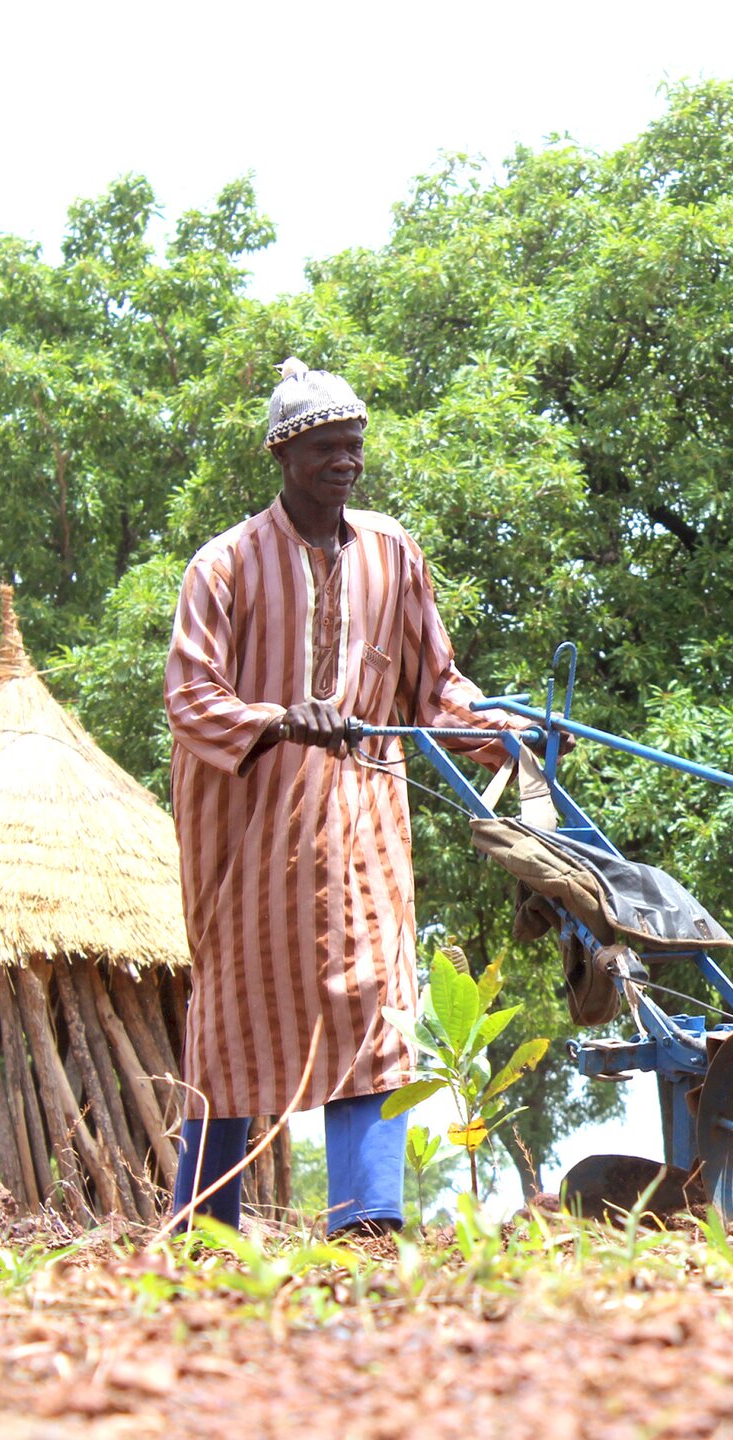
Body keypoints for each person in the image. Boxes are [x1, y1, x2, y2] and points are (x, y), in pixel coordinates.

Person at [161, 357, 529, 1236]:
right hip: (248, 833)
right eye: (326, 448)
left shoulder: (392, 552)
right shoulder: (223, 567)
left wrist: (493, 728)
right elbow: (189, 698)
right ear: (283, 457)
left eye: (353, 447)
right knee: (234, 1020)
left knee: (375, 1005)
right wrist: (281, 719)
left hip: (363, 820)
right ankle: (207, 1226)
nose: (344, 463)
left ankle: (367, 1224)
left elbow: (431, 685)